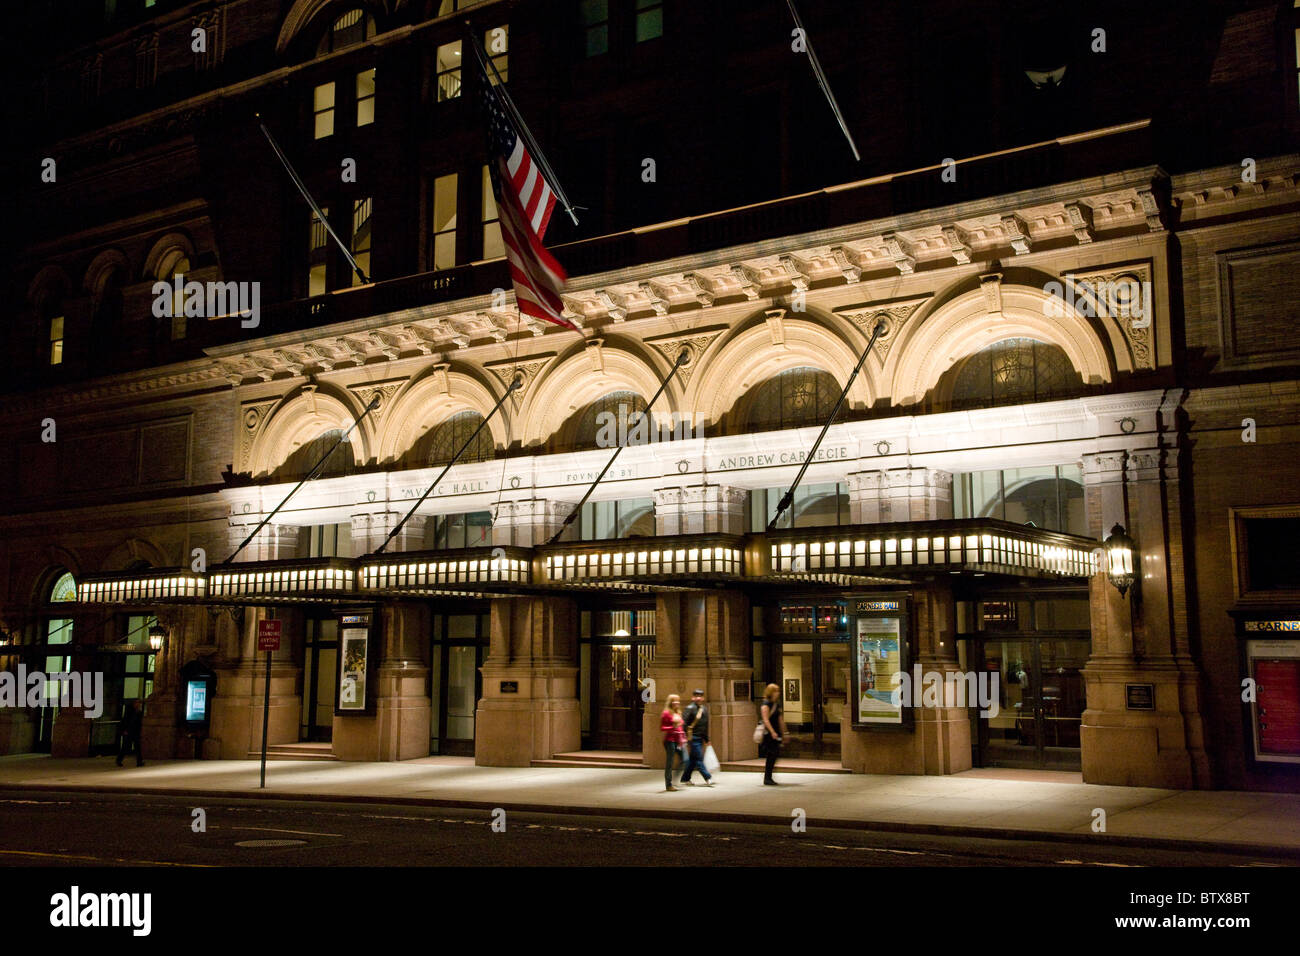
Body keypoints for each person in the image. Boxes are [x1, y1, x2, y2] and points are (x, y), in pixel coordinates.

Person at [679, 688, 714, 787]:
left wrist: (707, 739)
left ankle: (685, 778)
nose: (698, 698)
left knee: (693, 759)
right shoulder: (690, 708)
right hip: (692, 737)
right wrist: (685, 736)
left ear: (703, 698)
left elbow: (705, 725)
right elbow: (684, 723)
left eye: (700, 696)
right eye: (696, 696)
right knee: (698, 758)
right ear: (693, 697)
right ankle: (708, 777)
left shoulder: (704, 709)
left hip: (700, 737)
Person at [759, 683, 786, 785]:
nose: (778, 693)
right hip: (769, 734)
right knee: (771, 754)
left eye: (778, 691)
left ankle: (769, 777)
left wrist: (784, 733)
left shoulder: (776, 704)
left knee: (774, 754)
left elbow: (780, 720)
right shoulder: (765, 704)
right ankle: (767, 778)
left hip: (776, 732)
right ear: (771, 692)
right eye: (776, 691)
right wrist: (772, 732)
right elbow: (765, 720)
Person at [659, 693, 686, 791]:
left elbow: (680, 725)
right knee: (669, 763)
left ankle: (675, 779)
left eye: (678, 701)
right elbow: (662, 727)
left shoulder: (678, 712)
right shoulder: (666, 713)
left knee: (684, 759)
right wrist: (672, 727)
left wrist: (682, 736)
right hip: (670, 740)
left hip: (678, 740)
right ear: (670, 702)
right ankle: (668, 784)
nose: (677, 703)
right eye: (675, 701)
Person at [116, 699, 144, 767]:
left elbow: (139, 723)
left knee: (137, 747)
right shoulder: (129, 711)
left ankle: (139, 761)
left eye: (139, 703)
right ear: (134, 704)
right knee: (125, 747)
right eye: (137, 703)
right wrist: (124, 730)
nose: (138, 704)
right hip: (129, 731)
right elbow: (125, 721)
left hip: (135, 732)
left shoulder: (139, 712)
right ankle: (119, 760)